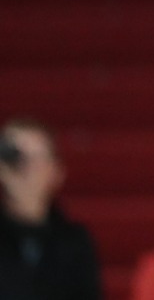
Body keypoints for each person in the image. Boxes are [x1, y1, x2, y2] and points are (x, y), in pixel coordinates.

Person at [0, 119, 101, 300]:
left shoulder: (74, 242)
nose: (25, 168)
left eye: (36, 157)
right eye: (15, 156)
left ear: (57, 171)